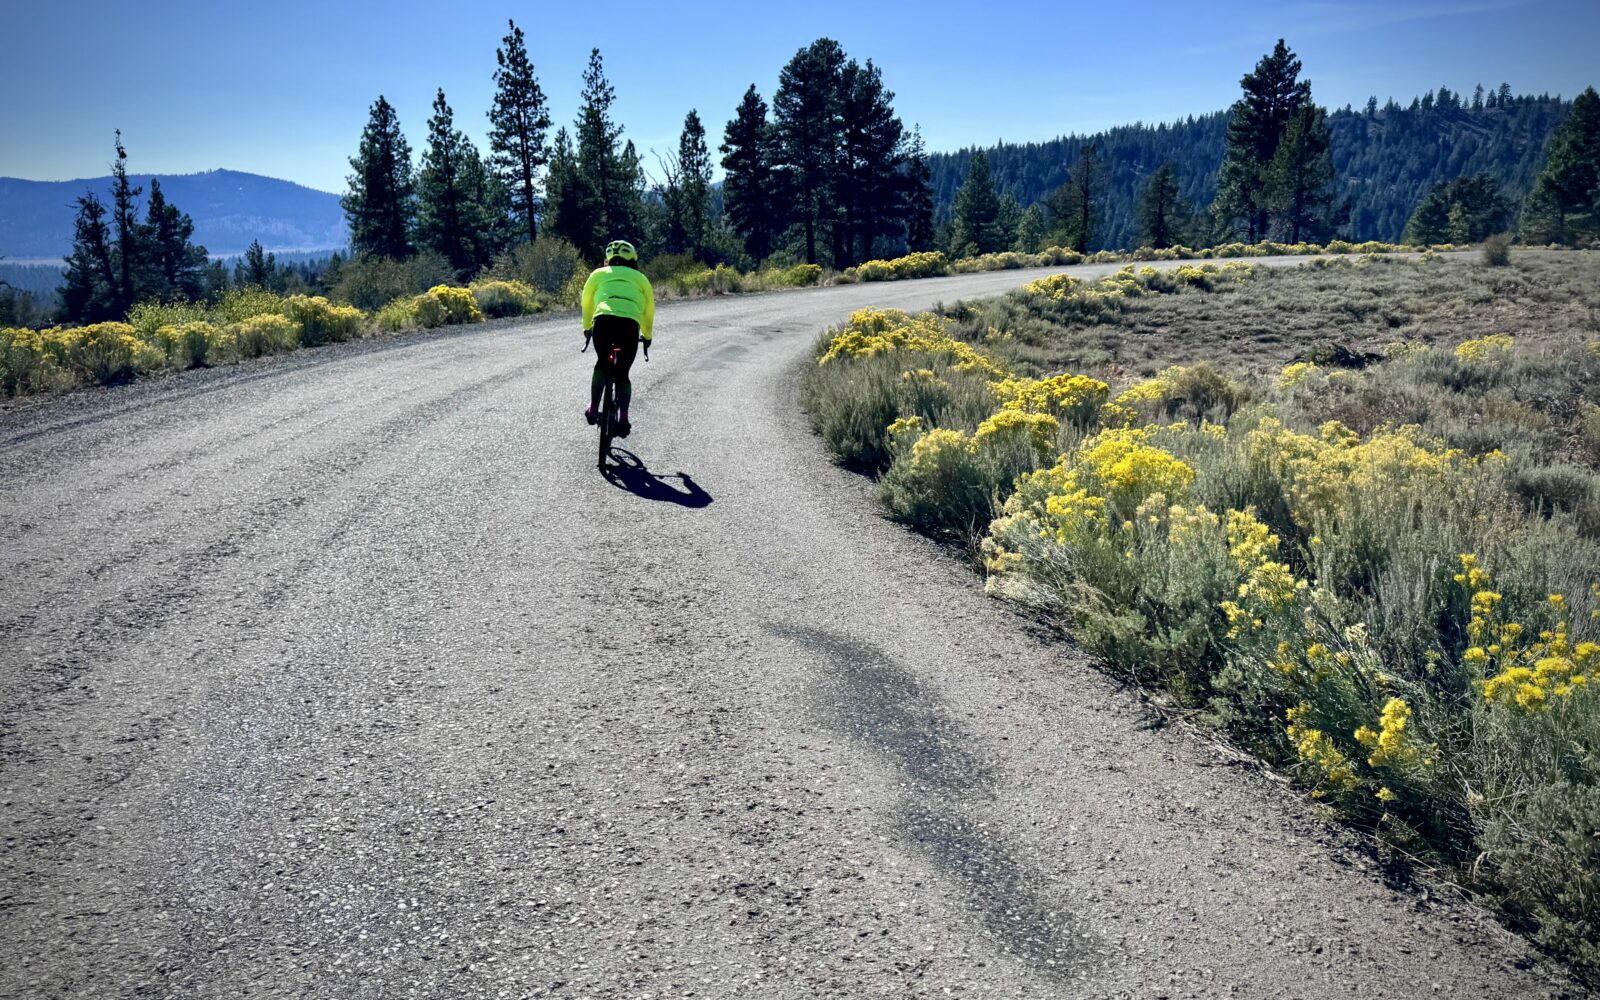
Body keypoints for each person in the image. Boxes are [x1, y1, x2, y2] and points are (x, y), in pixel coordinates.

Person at [581, 239, 654, 437]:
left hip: (603, 323)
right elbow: (649, 310)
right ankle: (623, 418)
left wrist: (587, 327)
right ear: (633, 259)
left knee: (602, 363)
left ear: (609, 259)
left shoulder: (597, 274)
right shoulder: (640, 278)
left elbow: (586, 302)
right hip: (628, 326)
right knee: (622, 373)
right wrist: (647, 335)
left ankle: (594, 408)